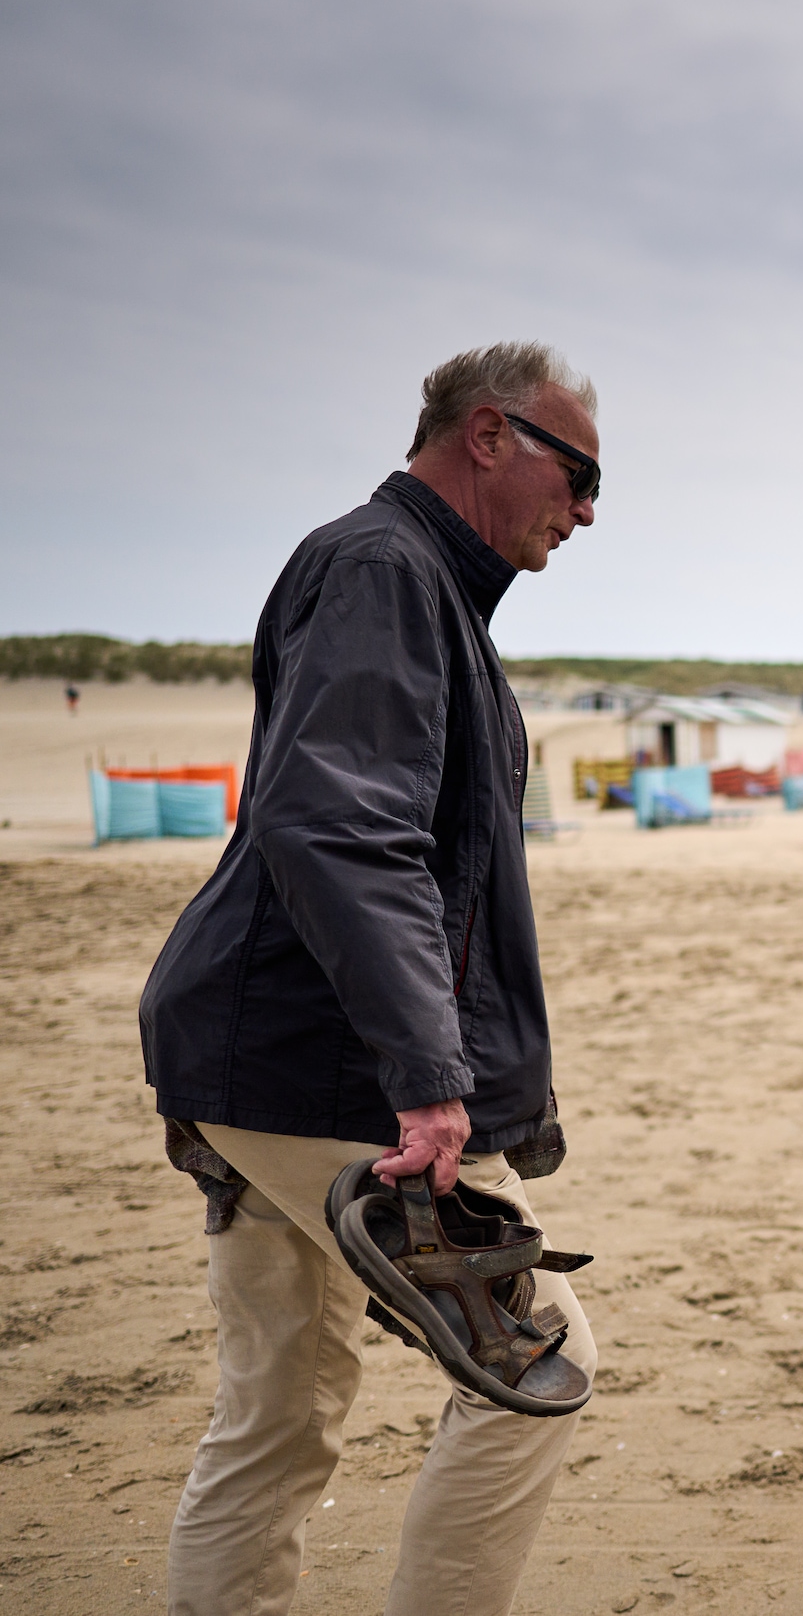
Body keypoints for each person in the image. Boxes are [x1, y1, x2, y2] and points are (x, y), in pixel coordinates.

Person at [138, 342, 604, 1616]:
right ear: (491, 437)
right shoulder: (383, 569)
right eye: (580, 474)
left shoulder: (418, 587)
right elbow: (340, 827)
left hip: (257, 1052)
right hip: (319, 1059)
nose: (589, 511)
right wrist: (429, 1076)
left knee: (279, 1411)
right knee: (535, 1368)